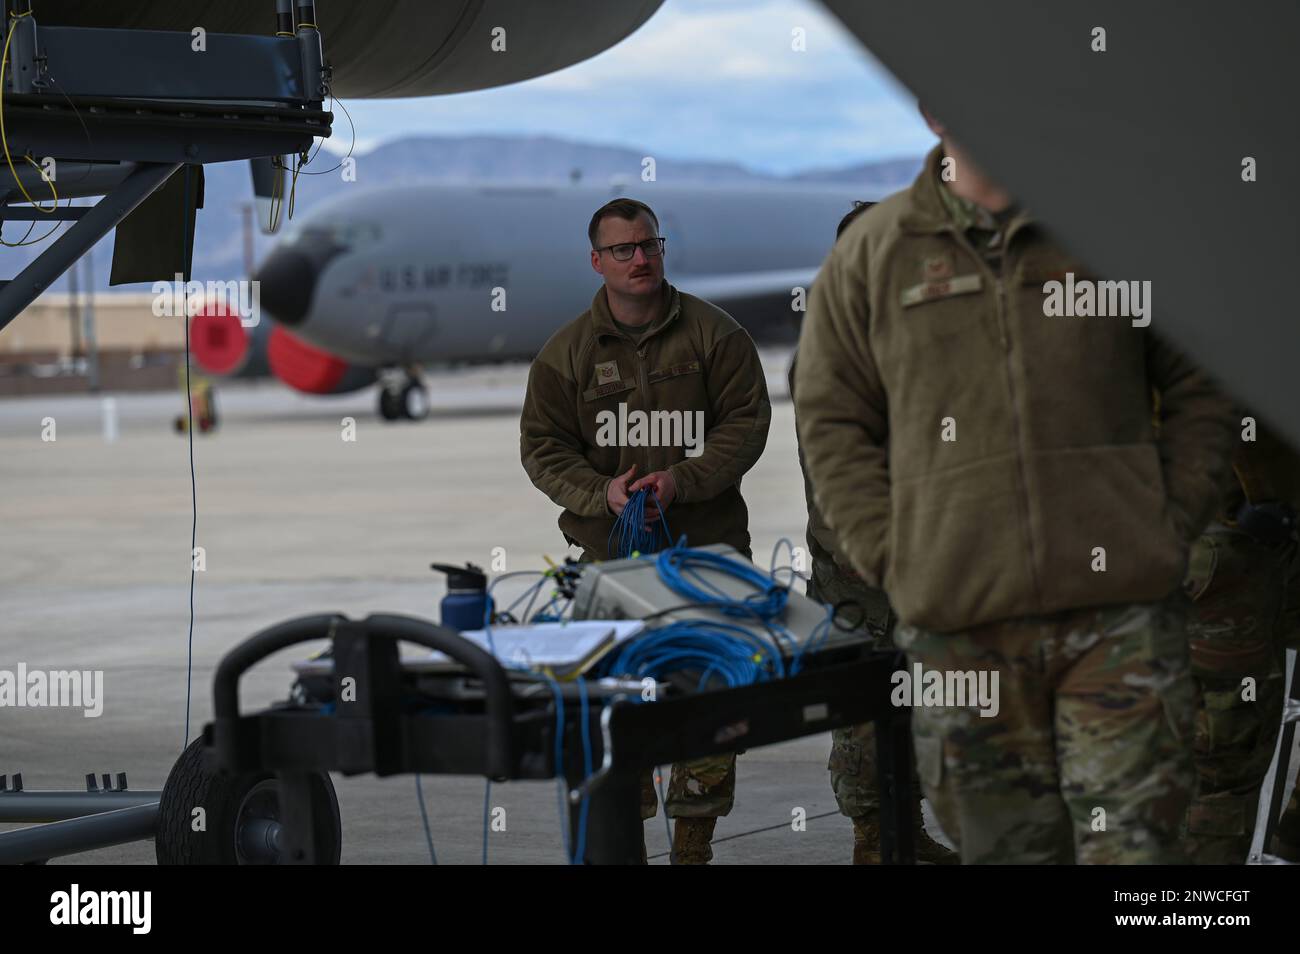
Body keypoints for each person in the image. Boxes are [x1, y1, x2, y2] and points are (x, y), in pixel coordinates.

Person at [793, 109, 1235, 863]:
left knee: (1134, 851)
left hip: (1116, 617)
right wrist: (896, 554)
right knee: (1004, 850)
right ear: (931, 108)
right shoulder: (876, 251)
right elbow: (831, 418)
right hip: (962, 627)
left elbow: (1203, 380)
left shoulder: (1119, 232)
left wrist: (1167, 519)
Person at [520, 197, 771, 863]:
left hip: (708, 560)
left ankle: (693, 851)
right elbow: (542, 449)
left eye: (649, 245)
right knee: (613, 715)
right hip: (611, 566)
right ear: (596, 261)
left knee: (711, 709)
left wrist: (680, 481)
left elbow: (746, 425)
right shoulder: (566, 355)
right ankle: (622, 846)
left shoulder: (717, 337)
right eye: (624, 249)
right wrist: (603, 494)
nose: (640, 259)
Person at [790, 199, 956, 864]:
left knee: (927, 707)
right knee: (866, 711)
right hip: (862, 569)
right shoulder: (834, 348)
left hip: (935, 562)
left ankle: (904, 831)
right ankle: (874, 842)